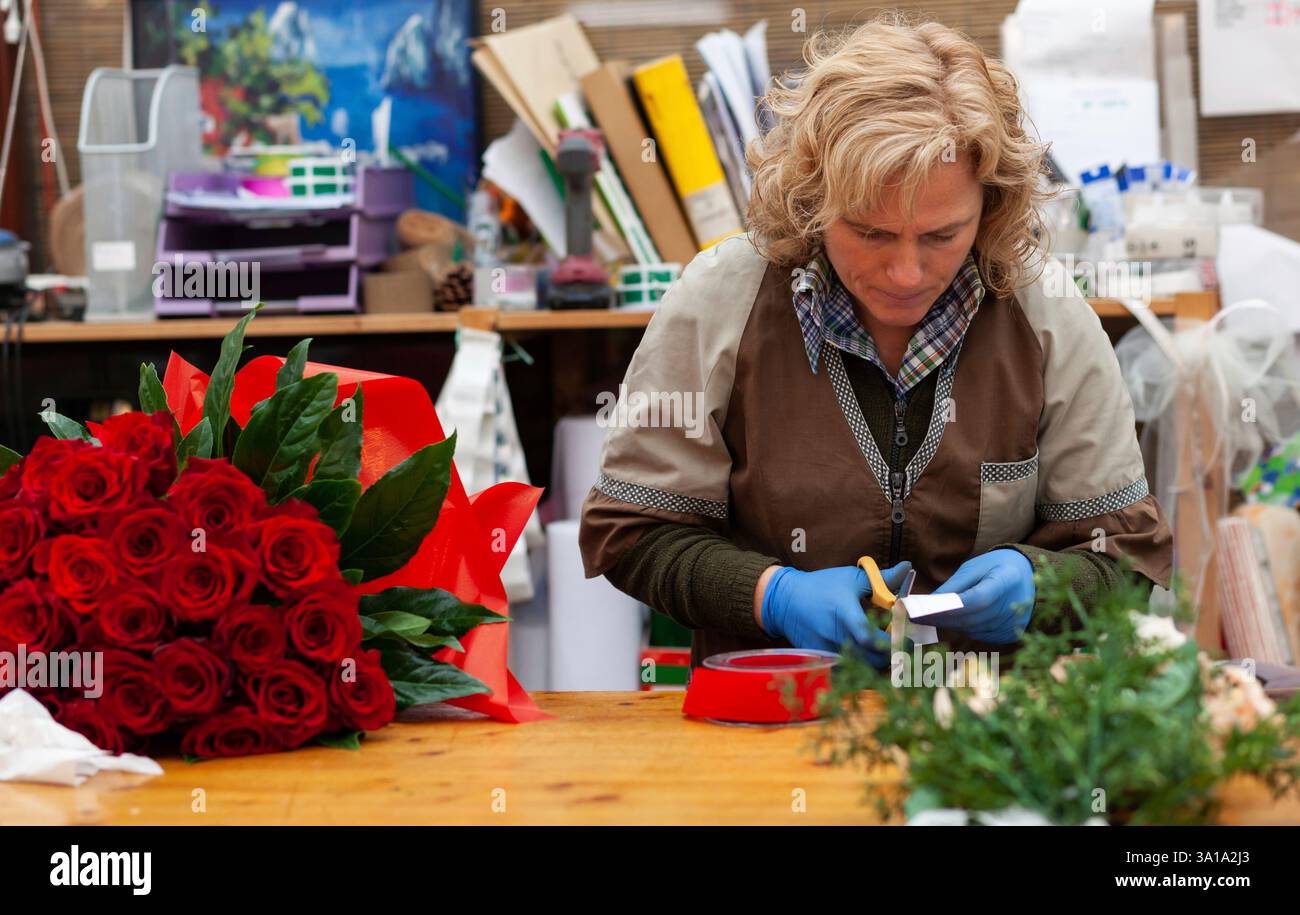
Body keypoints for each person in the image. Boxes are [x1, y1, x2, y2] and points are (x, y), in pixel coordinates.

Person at [578, 14, 1173, 668]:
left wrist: (1045, 583)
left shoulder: (1048, 316)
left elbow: (1126, 553)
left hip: (987, 732)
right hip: (772, 717)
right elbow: (629, 533)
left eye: (943, 235)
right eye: (871, 233)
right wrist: (771, 594)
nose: (906, 273)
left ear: (991, 206)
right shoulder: (719, 301)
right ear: (813, 199)